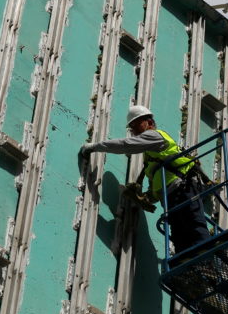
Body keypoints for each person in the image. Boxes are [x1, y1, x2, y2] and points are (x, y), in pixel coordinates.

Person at [79, 105, 210, 259]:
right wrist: (146, 198)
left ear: (148, 122)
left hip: (185, 188)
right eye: (132, 128)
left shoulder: (155, 136)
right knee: (179, 234)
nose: (134, 131)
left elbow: (125, 145)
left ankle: (207, 261)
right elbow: (160, 181)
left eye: (136, 125)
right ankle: (189, 268)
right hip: (171, 197)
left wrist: (95, 147)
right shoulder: (151, 157)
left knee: (194, 224)